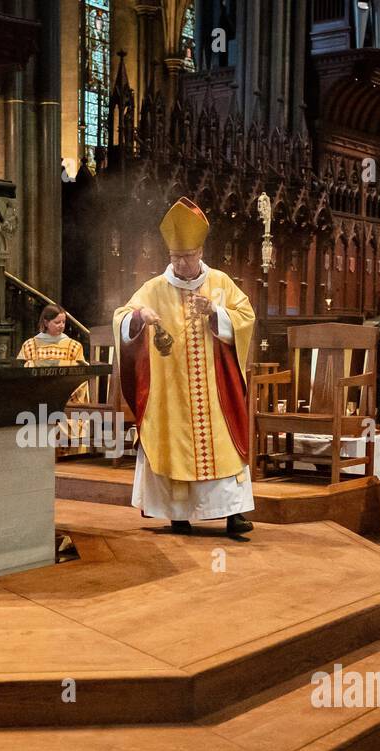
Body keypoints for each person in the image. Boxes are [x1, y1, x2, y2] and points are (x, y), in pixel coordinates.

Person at [112, 197, 256, 538]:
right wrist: (138, 316)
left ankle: (233, 513)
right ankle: (178, 515)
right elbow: (121, 316)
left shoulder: (220, 284)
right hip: (171, 393)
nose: (180, 263)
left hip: (213, 389)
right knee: (171, 447)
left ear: (200, 253)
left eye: (187, 257)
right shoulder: (153, 288)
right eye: (175, 257)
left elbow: (246, 317)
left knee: (223, 446)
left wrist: (217, 315)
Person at [19, 305, 90, 404]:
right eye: (57, 322)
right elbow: (20, 375)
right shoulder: (29, 346)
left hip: (67, 401)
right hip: (36, 400)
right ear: (46, 322)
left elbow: (81, 375)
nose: (61, 325)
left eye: (63, 322)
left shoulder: (74, 346)